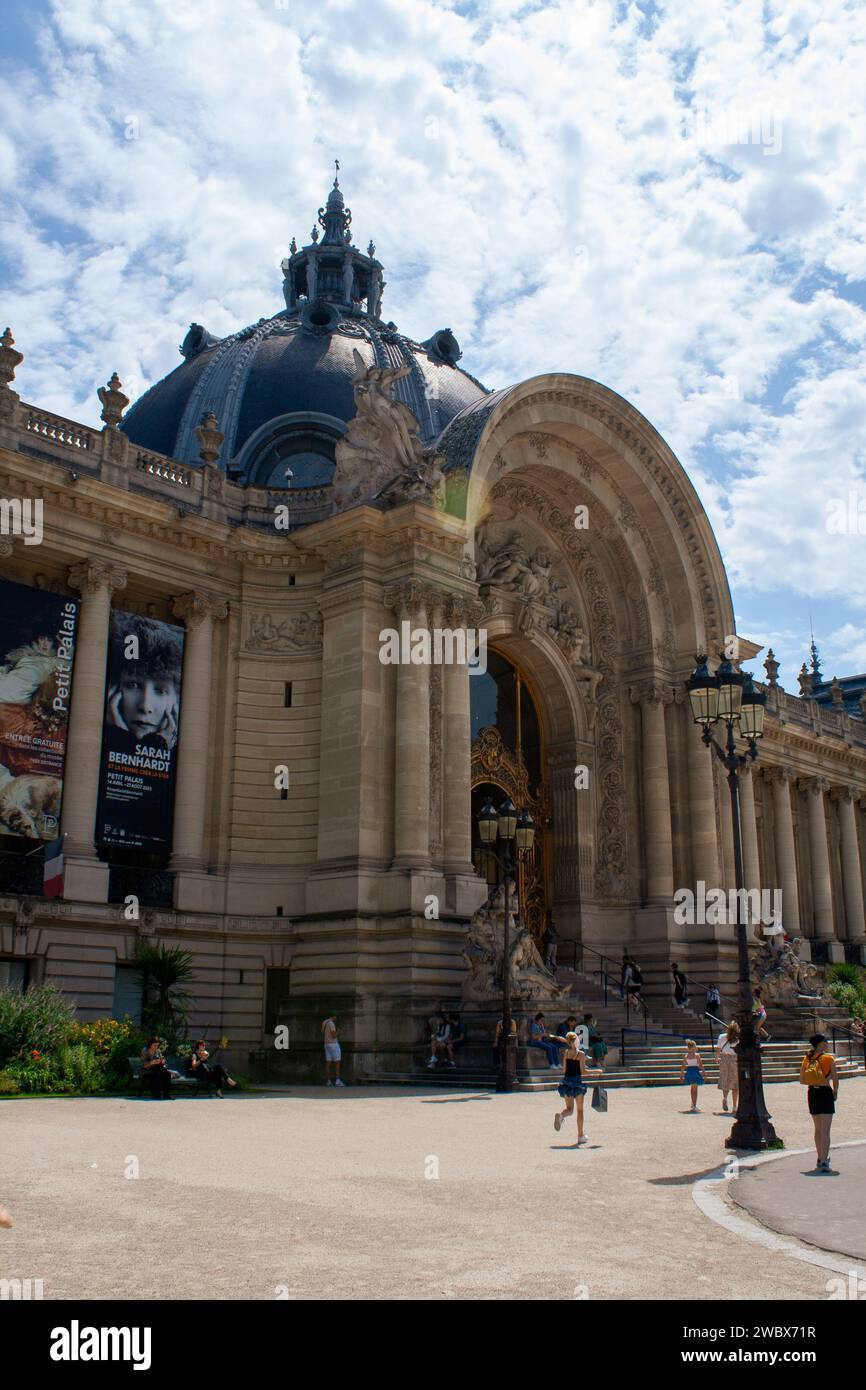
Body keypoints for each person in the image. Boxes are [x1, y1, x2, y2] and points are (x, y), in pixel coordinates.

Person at [550, 1031, 603, 1144]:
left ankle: (561, 1116)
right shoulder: (581, 1054)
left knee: (569, 1110)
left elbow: (564, 1069)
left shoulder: (566, 1052)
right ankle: (580, 1135)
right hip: (577, 1084)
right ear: (576, 1041)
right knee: (580, 1110)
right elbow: (583, 1071)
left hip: (566, 1082)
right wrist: (596, 1072)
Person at [801, 1033, 839, 1172]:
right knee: (825, 1130)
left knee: (817, 1129)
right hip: (825, 1092)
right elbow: (835, 1078)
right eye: (826, 1041)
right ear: (821, 1044)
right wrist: (835, 1092)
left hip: (812, 1093)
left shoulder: (807, 1058)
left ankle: (819, 1158)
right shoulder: (829, 1058)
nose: (827, 1043)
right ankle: (824, 1160)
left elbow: (802, 1079)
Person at [716, 1019, 740, 1113]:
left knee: (725, 1080)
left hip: (724, 1059)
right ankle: (734, 1106)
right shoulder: (738, 1038)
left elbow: (718, 1049)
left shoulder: (722, 1037)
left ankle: (725, 1098)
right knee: (735, 1084)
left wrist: (717, 1058)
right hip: (734, 1059)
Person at [679, 1039, 706, 1112]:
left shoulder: (686, 1056)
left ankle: (693, 1103)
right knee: (695, 1089)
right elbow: (700, 1064)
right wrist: (704, 1072)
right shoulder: (697, 1055)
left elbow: (683, 1066)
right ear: (694, 1047)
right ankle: (694, 1105)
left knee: (692, 1088)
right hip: (695, 1071)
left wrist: (681, 1075)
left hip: (689, 1071)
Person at [322, 1014, 345, 1086]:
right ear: (333, 1016)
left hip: (326, 1044)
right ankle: (337, 1080)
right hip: (333, 1044)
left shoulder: (324, 1022)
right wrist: (339, 1031)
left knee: (328, 1062)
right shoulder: (331, 1024)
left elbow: (323, 1032)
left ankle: (328, 1081)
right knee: (337, 1062)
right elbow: (334, 1035)